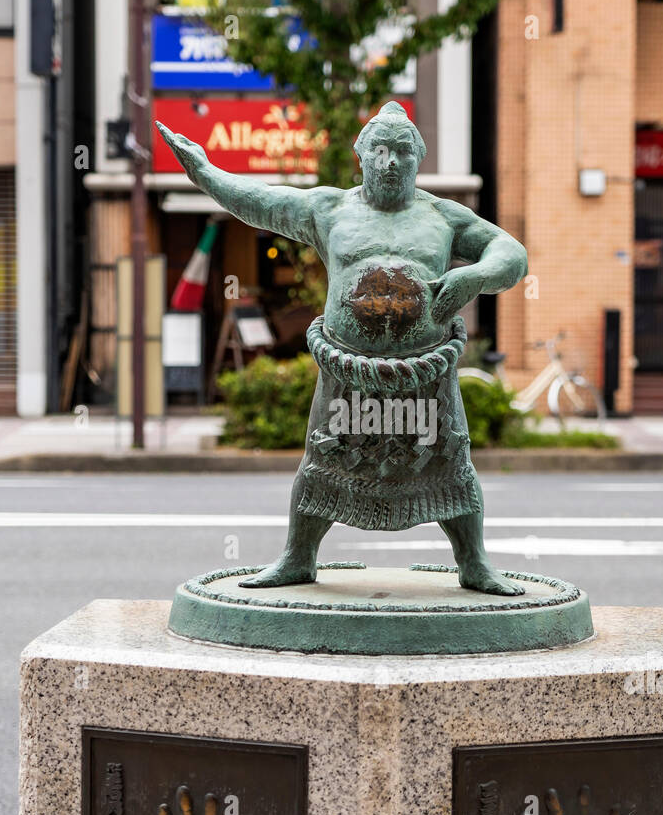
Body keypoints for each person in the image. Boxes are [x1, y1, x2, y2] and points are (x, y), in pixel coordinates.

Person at [156, 102, 528, 595]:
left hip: (425, 372)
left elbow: (512, 254)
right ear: (361, 155)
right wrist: (204, 171)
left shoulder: (443, 216)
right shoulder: (328, 209)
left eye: (402, 151)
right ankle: (297, 556)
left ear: (418, 158)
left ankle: (474, 562)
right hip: (347, 370)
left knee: (449, 460)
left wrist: (475, 275)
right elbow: (260, 199)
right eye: (380, 149)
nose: (390, 161)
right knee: (324, 459)